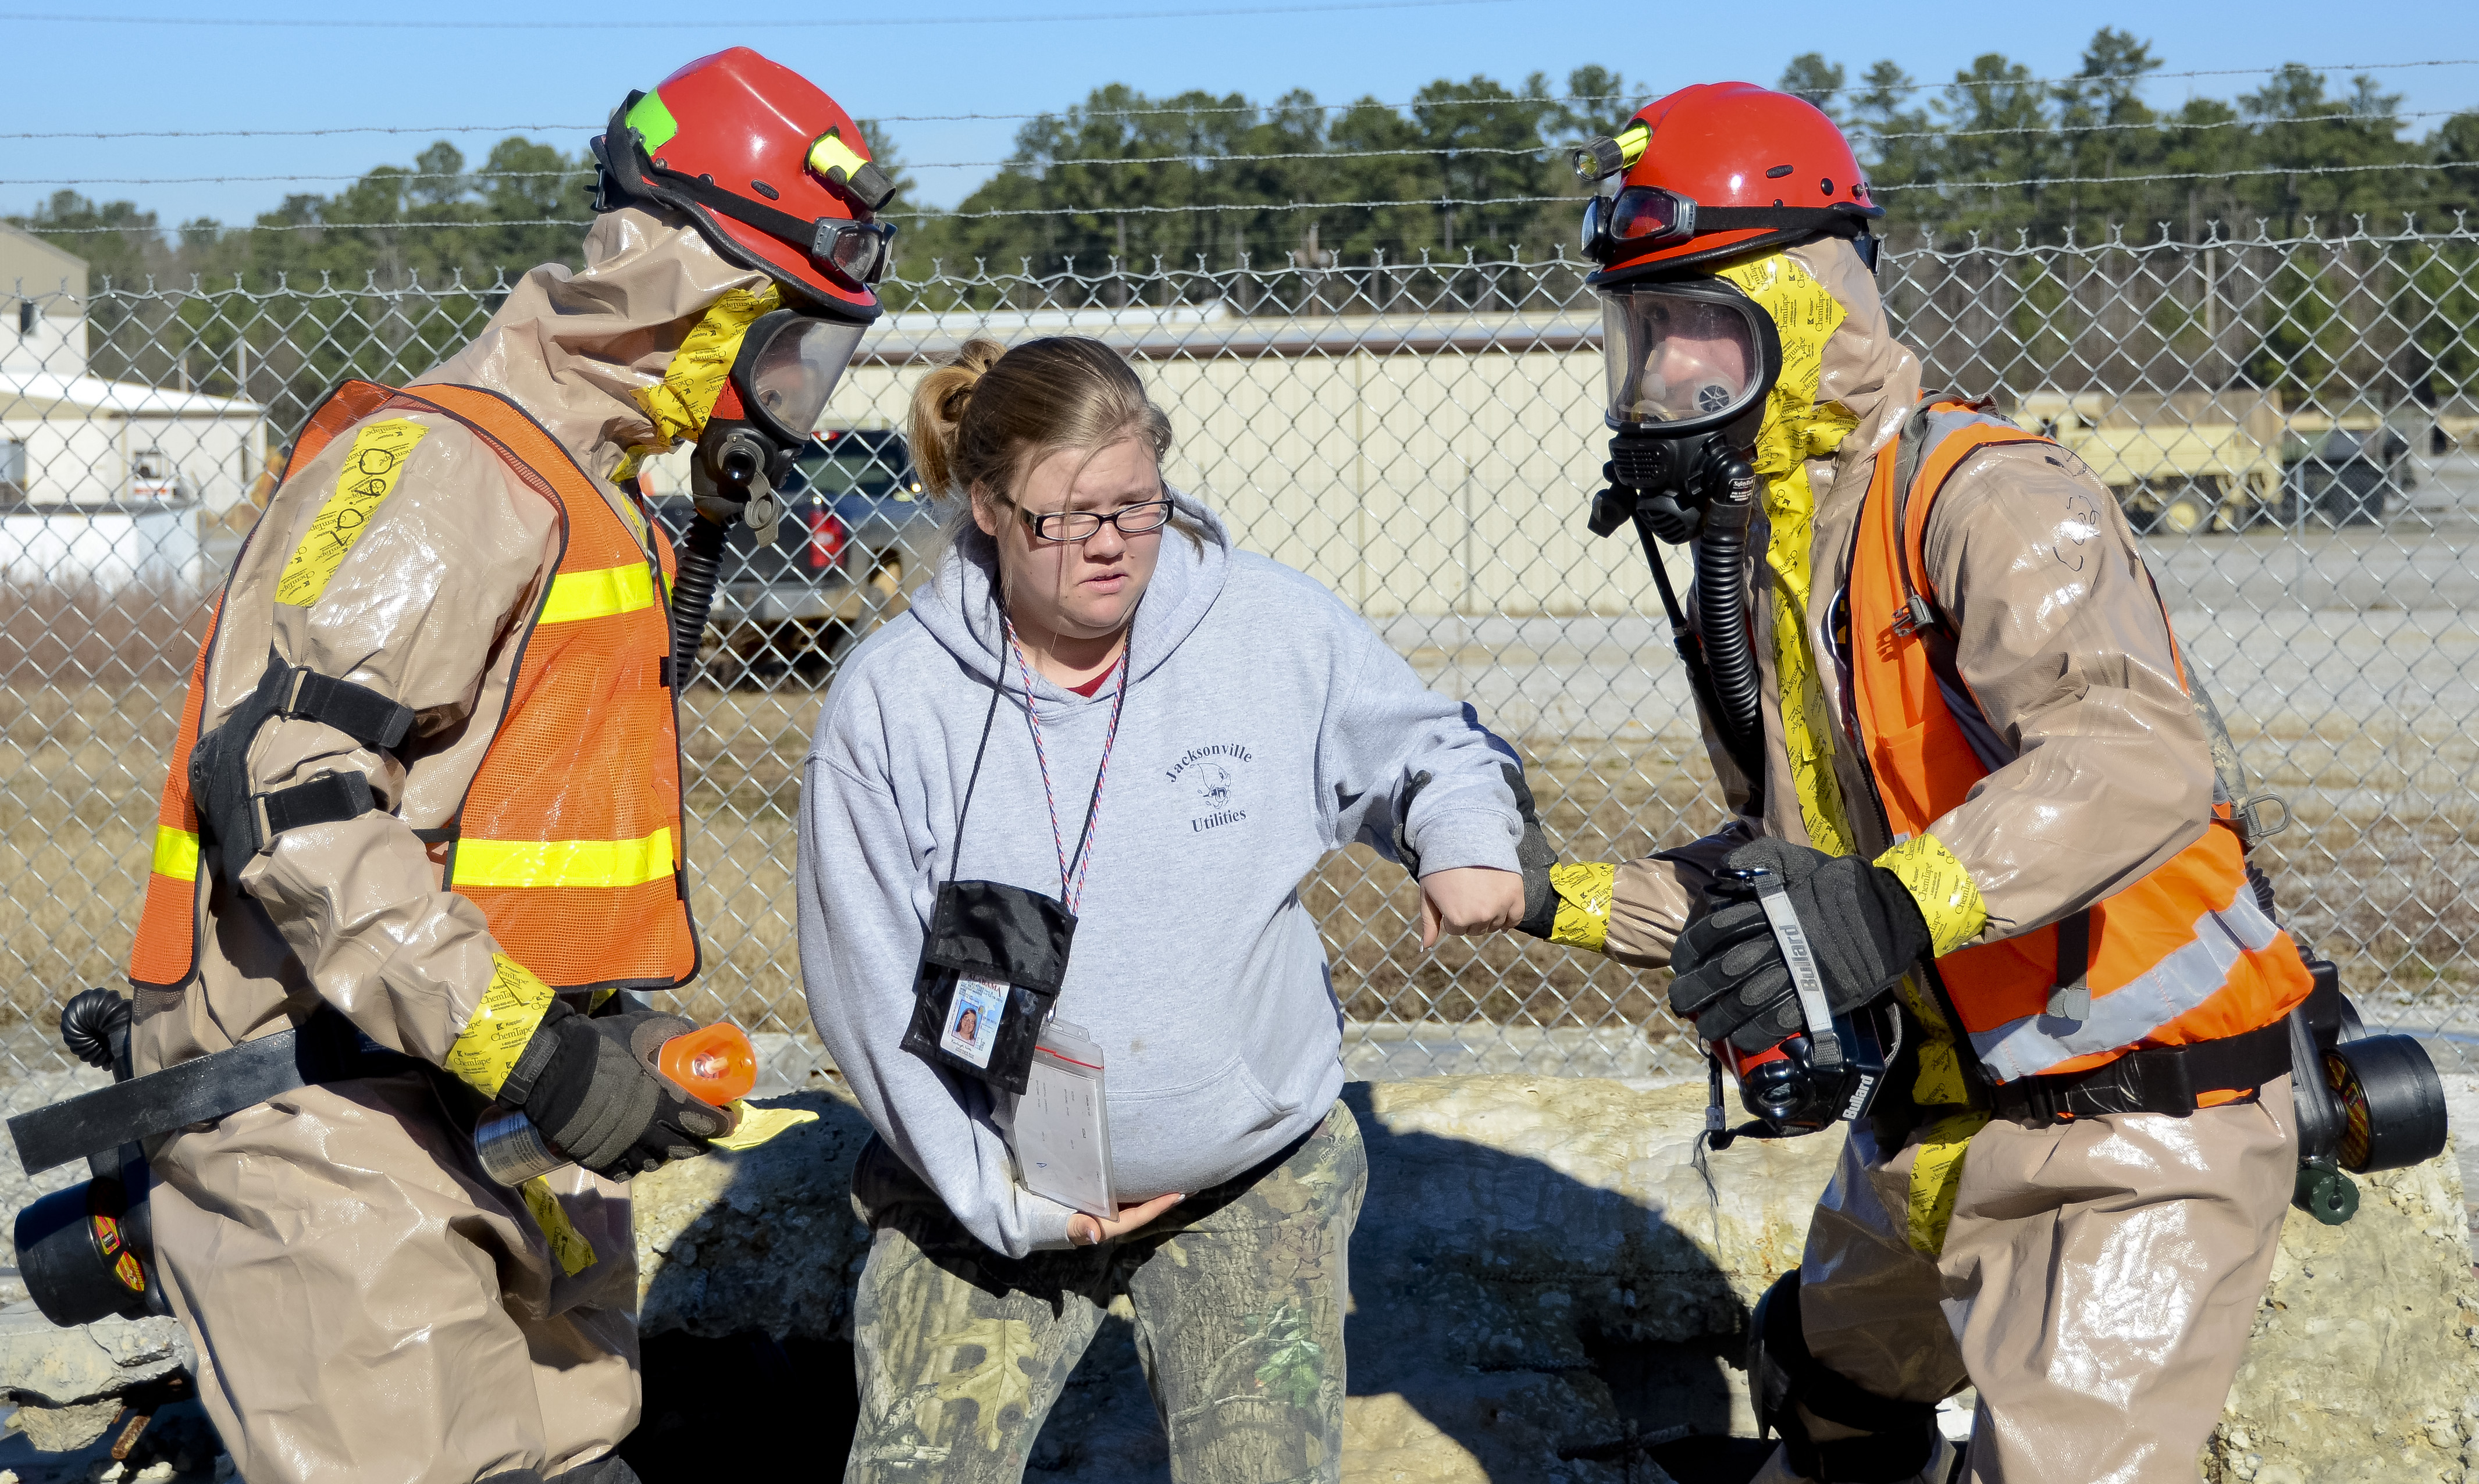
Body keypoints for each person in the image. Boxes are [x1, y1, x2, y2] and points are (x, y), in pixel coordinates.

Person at [115, 48, 896, 1484]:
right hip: (333, 1132)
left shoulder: (590, 489)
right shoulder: (449, 471)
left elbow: (489, 833)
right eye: (787, 336)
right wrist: (537, 1049)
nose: (795, 388)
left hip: (488, 1114)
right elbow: (290, 798)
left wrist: (592, 1038)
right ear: (687, 289)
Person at [1540, 83, 2314, 1483]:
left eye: (1692, 325)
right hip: (1949, 1103)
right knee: (1820, 1381)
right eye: (1636, 332)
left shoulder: (1984, 496)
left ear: (1803, 308)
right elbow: (1801, 864)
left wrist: (1890, 911)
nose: (1654, 377)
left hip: (2140, 1116)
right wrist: (1550, 897)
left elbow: (2131, 756)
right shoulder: (1780, 551)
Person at [798, 334, 1549, 1482]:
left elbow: (1430, 746)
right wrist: (997, 1200)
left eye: (1135, 505)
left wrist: (1464, 839)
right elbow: (861, 988)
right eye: (1065, 516)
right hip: (988, 1180)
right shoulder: (892, 703)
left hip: (1243, 1174)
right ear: (987, 508)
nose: (1109, 542)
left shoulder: (1267, 627)